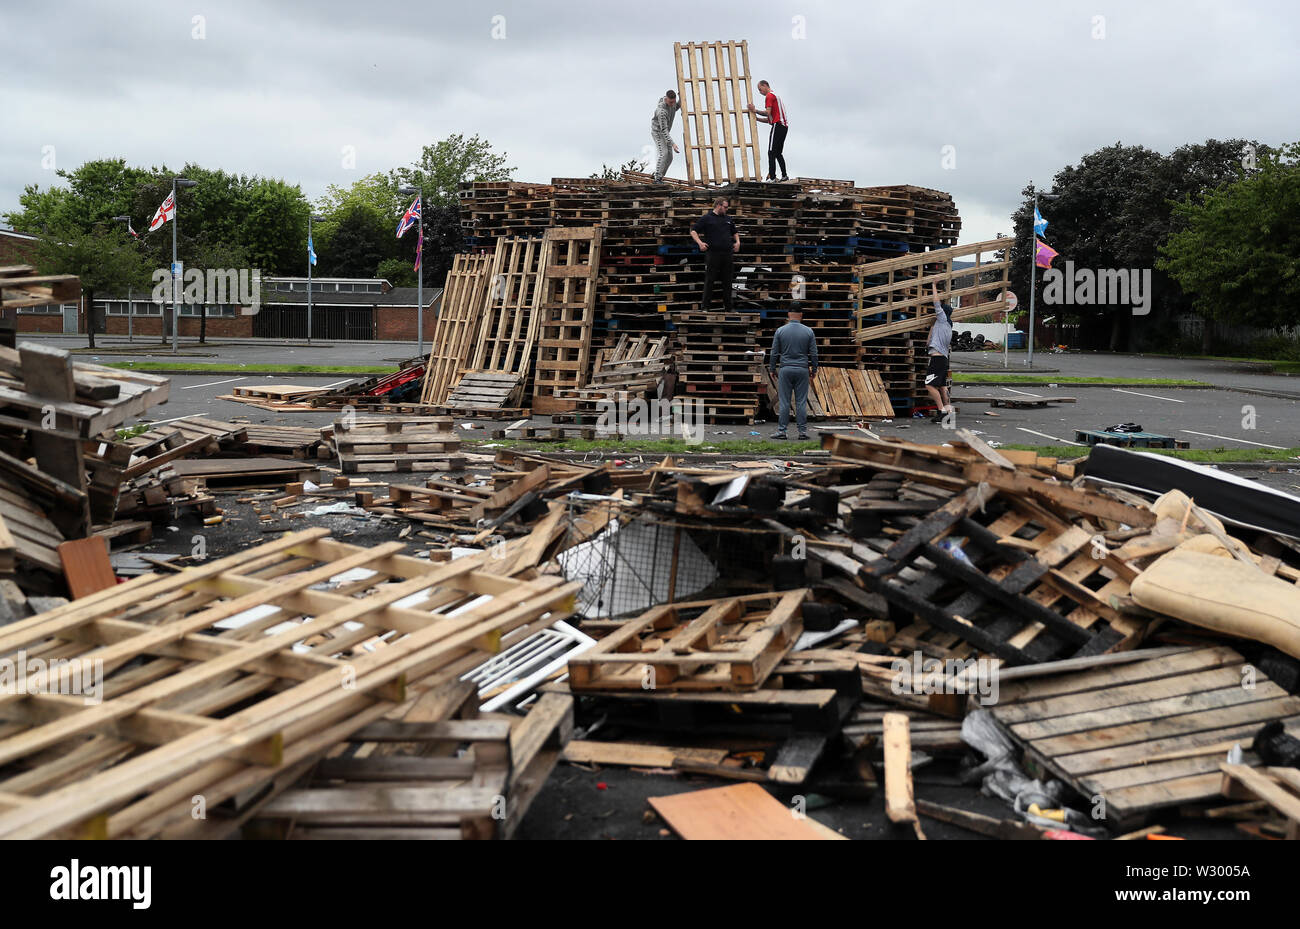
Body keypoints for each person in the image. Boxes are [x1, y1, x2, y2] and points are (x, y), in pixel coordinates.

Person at [769, 302, 818, 440]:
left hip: (785, 368)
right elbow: (814, 354)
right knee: (801, 401)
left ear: (789, 314)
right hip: (802, 369)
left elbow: (774, 353)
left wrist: (772, 368)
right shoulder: (809, 331)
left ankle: (782, 431)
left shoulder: (780, 331)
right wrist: (814, 369)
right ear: (801, 315)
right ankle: (802, 432)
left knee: (785, 401)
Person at [691, 197, 740, 312]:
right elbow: (693, 231)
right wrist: (700, 243)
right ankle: (705, 307)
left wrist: (738, 242)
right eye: (725, 207)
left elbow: (735, 232)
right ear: (718, 205)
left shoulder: (728, 219)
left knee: (727, 281)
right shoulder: (707, 218)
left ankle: (728, 307)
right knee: (710, 280)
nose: (726, 209)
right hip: (713, 254)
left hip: (727, 254)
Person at [925, 279, 955, 423]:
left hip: (937, 359)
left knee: (929, 385)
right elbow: (930, 337)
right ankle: (949, 413)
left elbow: (936, 302)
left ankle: (941, 411)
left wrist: (934, 285)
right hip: (943, 358)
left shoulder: (942, 319)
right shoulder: (947, 325)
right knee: (942, 387)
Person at [748, 80, 790, 181]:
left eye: (760, 89)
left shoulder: (769, 96)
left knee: (771, 152)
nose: (760, 92)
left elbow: (767, 113)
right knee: (778, 153)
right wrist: (757, 119)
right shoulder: (776, 96)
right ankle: (784, 175)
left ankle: (772, 177)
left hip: (778, 125)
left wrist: (755, 110)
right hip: (783, 127)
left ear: (765, 85)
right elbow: (769, 119)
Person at [650, 90, 681, 183]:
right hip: (658, 133)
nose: (672, 104)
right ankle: (657, 179)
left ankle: (659, 175)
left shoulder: (673, 104)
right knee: (664, 153)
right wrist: (673, 144)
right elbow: (664, 130)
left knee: (670, 157)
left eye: (674, 102)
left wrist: (681, 98)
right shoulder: (661, 112)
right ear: (666, 99)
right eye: (671, 102)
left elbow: (677, 106)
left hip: (666, 133)